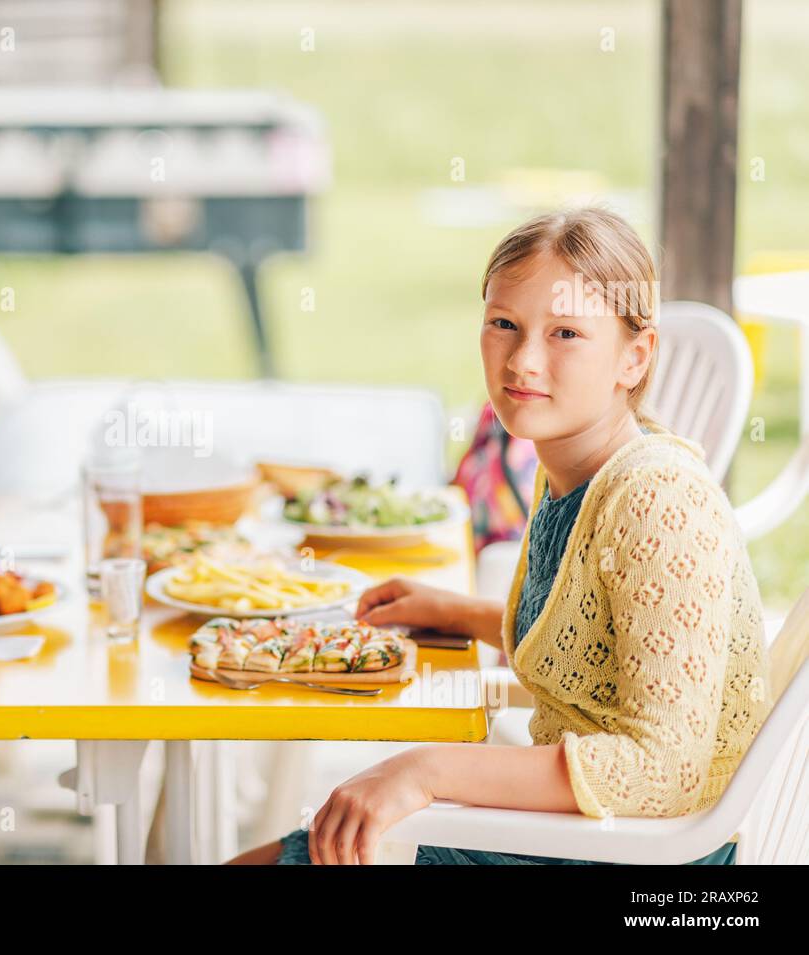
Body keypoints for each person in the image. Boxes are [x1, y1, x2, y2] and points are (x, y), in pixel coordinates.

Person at [231, 207, 772, 865]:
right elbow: (589, 647)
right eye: (503, 324)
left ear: (635, 357)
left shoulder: (657, 496)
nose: (523, 360)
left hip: (639, 853)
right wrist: (455, 611)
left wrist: (424, 771)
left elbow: (663, 768)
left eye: (566, 332)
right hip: (591, 834)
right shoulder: (576, 471)